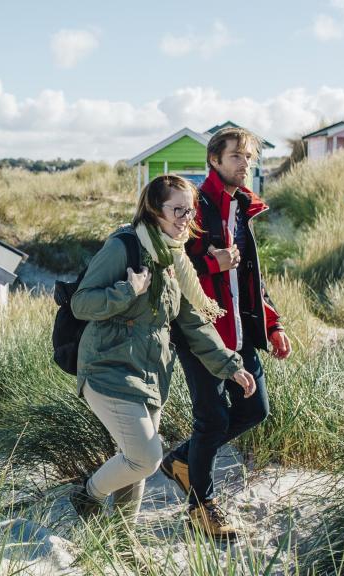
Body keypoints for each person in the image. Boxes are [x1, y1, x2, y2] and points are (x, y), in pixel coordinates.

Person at [68, 174, 256, 522]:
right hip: (107, 369)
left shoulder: (175, 258)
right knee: (147, 458)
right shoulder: (124, 246)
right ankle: (88, 494)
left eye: (190, 210)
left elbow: (194, 323)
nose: (186, 218)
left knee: (134, 463)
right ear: (155, 210)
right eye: (177, 210)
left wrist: (231, 365)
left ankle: (121, 537)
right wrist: (128, 291)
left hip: (151, 375)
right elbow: (81, 304)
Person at [159, 127, 291, 539]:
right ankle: (202, 508)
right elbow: (168, 267)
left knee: (255, 410)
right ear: (214, 160)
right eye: (236, 156)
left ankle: (183, 461)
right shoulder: (194, 207)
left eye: (249, 157)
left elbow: (251, 278)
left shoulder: (243, 208)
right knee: (212, 420)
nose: (245, 164)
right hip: (201, 333)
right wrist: (210, 265)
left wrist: (272, 324)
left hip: (240, 331)